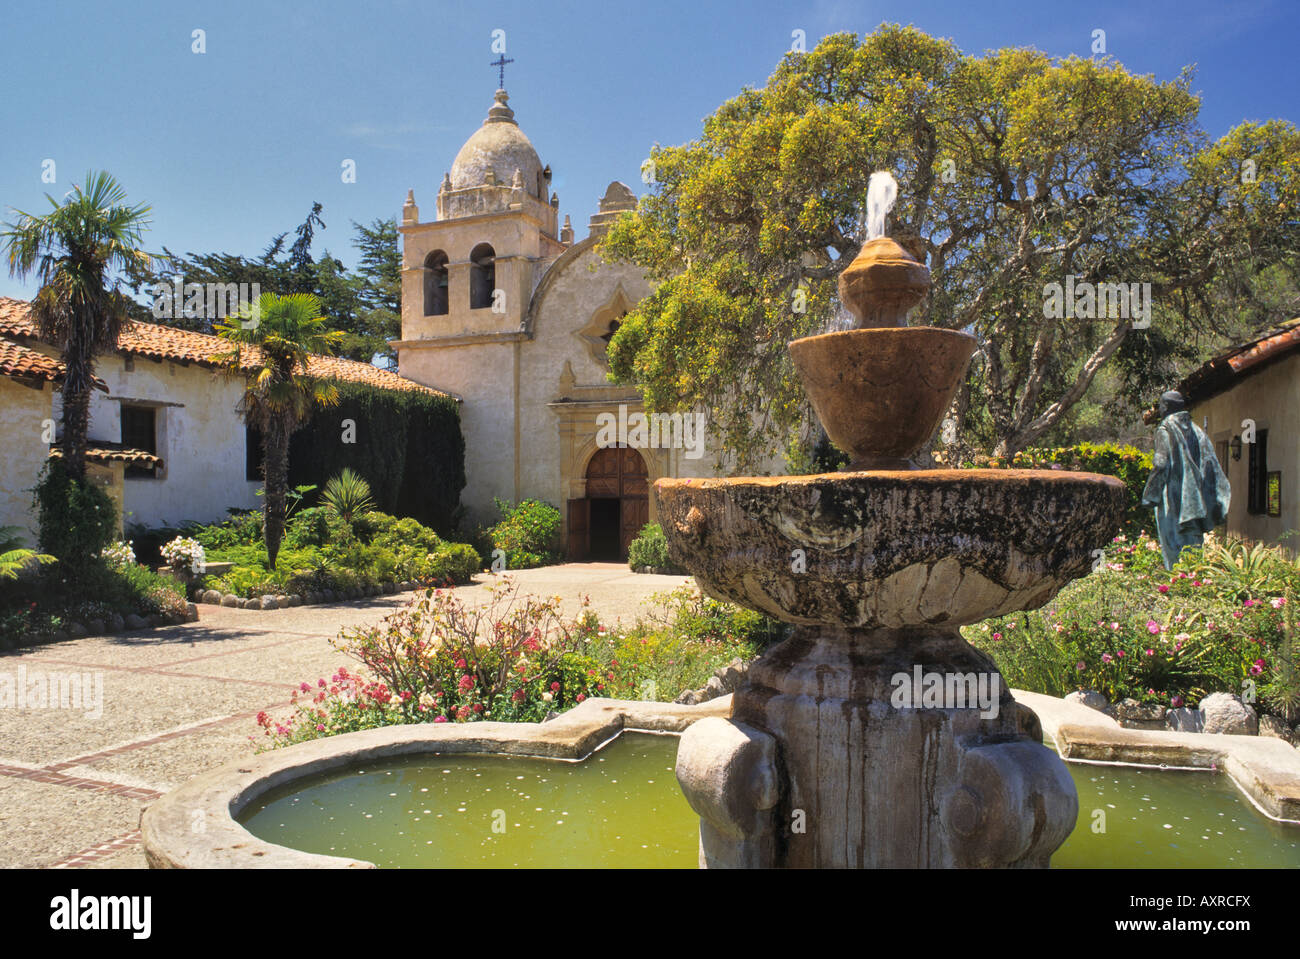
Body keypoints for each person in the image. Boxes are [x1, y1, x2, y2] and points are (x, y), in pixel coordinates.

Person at [1141, 391, 1231, 570]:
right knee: (1193, 552)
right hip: (1196, 502)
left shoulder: (1165, 428)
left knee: (1172, 550)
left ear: (1165, 407)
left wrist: (1150, 495)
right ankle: (1192, 587)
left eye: (1160, 405)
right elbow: (1210, 464)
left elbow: (1160, 464)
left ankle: (1174, 589)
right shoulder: (1197, 430)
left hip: (1172, 499)